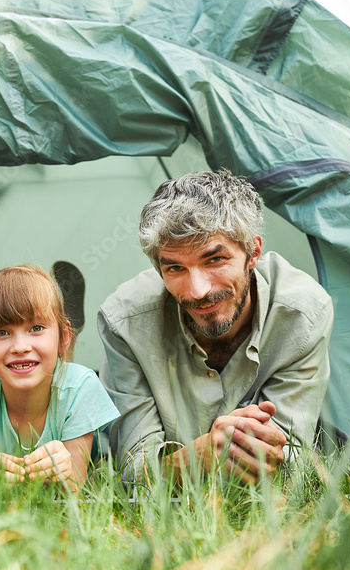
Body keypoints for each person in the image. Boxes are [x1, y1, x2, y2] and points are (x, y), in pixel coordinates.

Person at [98, 170, 334, 485]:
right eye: (176, 268)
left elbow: (290, 463)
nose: (197, 291)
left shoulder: (303, 313)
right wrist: (200, 456)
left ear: (253, 252)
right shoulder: (124, 322)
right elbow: (133, 472)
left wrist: (242, 452)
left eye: (215, 260)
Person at [0, 265, 120, 489]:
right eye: (2, 333)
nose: (20, 347)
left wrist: (65, 475)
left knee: (106, 470)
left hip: (96, 449)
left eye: (36, 328)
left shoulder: (81, 386)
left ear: (64, 337)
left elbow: (75, 495)